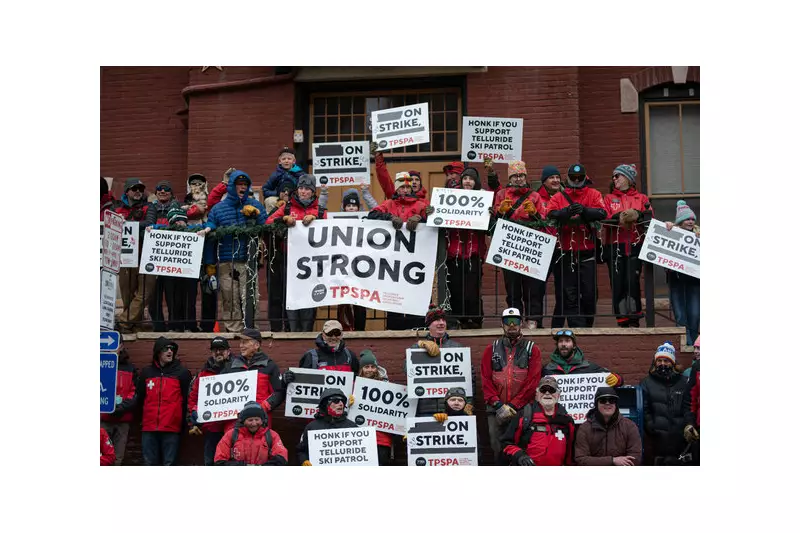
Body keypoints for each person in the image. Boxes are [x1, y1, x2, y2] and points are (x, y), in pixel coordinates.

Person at [204, 170, 268, 332]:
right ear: (232, 187)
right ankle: (233, 329)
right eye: (239, 184)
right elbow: (211, 234)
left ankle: (251, 329)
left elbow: (265, 227)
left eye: (245, 185)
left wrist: (255, 216)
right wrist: (210, 264)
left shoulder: (255, 205)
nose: (242, 187)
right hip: (226, 260)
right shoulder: (218, 209)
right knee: (229, 297)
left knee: (250, 297)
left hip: (248, 261)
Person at [545, 163, 607, 327]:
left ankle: (587, 323)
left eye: (580, 177)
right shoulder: (559, 197)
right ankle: (576, 326)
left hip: (587, 251)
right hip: (566, 252)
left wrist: (585, 211)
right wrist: (566, 212)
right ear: (569, 178)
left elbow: (602, 212)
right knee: (569, 293)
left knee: (589, 293)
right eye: (574, 177)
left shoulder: (593, 194)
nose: (577, 180)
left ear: (584, 177)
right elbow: (550, 215)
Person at [367, 172, 430, 330]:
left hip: (415, 260)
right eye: (402, 187)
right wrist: (389, 218)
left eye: (408, 187)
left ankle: (416, 327)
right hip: (393, 262)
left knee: (414, 294)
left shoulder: (421, 205)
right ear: (397, 188)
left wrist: (421, 219)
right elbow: (372, 215)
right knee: (393, 297)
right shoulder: (389, 204)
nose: (405, 190)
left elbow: (435, 221)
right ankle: (394, 328)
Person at [480, 307, 542, 465]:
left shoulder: (532, 349)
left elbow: (533, 381)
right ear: (502, 324)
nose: (512, 325)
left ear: (521, 323)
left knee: (522, 445)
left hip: (522, 409)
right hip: (495, 410)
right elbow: (486, 379)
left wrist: (514, 405)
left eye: (515, 321)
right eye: (508, 321)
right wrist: (498, 405)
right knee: (496, 446)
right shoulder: (491, 349)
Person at [265, 173, 326, 332]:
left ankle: (307, 330)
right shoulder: (287, 207)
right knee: (291, 294)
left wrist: (315, 219)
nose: (303, 191)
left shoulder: (319, 211)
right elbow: (268, 222)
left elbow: (328, 230)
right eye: (301, 188)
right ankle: (292, 329)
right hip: (289, 259)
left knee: (309, 294)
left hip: (312, 261)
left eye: (307, 189)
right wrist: (284, 219)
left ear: (313, 191)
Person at [492, 160, 547, 327]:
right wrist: (501, 211)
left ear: (526, 176)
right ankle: (514, 319)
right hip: (509, 246)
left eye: (521, 175)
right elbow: (495, 218)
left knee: (532, 286)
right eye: (515, 176)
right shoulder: (501, 194)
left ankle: (533, 319)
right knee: (513, 286)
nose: (518, 179)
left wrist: (535, 213)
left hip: (529, 247)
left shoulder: (535, 196)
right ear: (510, 178)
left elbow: (543, 221)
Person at [603, 164, 653, 328]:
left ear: (629, 179)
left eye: (618, 176)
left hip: (635, 244)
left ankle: (634, 317)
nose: (614, 179)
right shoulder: (609, 198)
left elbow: (650, 216)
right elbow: (604, 216)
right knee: (617, 282)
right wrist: (618, 216)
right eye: (613, 176)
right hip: (614, 246)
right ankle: (622, 319)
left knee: (632, 280)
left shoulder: (641, 198)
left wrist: (638, 214)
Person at [146, 208, 210, 331]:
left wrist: (206, 229)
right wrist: (152, 227)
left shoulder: (194, 230)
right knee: (173, 300)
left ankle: (190, 325)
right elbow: (156, 226)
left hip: (189, 272)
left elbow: (209, 224)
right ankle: (175, 325)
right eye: (175, 221)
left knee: (190, 299)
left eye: (181, 220)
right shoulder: (166, 230)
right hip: (171, 272)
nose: (178, 223)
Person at [405, 305, 475, 417]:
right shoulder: (417, 348)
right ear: (429, 324)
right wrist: (419, 348)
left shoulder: (458, 348)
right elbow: (408, 372)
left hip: (453, 410)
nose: (441, 323)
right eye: (437, 320)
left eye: (443, 320)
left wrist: (469, 403)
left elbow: (470, 378)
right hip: (425, 410)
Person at [136, 337, 191, 466]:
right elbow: (140, 398)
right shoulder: (146, 373)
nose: (170, 352)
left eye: (172, 349)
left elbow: (187, 400)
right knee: (149, 463)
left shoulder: (182, 373)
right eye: (166, 349)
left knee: (169, 464)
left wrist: (183, 424)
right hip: (149, 427)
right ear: (158, 352)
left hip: (171, 428)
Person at [501, 376, 576, 466]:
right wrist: (520, 456)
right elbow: (506, 444)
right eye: (543, 390)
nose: (547, 393)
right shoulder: (524, 416)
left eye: (552, 390)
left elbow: (571, 453)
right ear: (537, 395)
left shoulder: (568, 421)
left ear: (558, 395)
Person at [445, 167, 487, 329]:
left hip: (473, 254)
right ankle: (459, 319)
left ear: (475, 182)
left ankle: (475, 319)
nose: (467, 181)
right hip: (454, 254)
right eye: (465, 179)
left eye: (471, 179)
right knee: (455, 288)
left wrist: (489, 214)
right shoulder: (451, 198)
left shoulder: (482, 199)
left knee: (473, 289)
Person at [222, 329, 285, 432]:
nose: (241, 345)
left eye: (245, 342)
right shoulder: (230, 366)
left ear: (256, 345)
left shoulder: (270, 366)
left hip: (260, 422)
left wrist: (262, 407)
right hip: (234, 423)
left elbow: (279, 392)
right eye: (240, 342)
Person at [639, 341, 690, 465]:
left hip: (681, 439)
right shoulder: (646, 383)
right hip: (657, 439)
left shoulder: (684, 382)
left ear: (672, 363)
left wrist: (686, 425)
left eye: (666, 361)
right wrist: (652, 427)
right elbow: (644, 409)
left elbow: (688, 406)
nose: (662, 364)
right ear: (655, 363)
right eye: (659, 360)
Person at [143, 181, 182, 331]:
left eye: (166, 190)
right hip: (152, 258)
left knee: (172, 295)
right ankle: (158, 326)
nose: (163, 192)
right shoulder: (150, 209)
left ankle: (173, 325)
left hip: (171, 258)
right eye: (159, 190)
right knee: (153, 295)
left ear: (171, 194)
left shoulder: (177, 208)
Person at [187, 336, 232, 465]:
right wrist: (195, 411)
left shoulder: (237, 370)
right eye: (215, 350)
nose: (218, 353)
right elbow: (193, 397)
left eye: (221, 349)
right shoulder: (204, 373)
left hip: (232, 428)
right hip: (211, 428)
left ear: (228, 351)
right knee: (210, 463)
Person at [114, 178, 152, 332]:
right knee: (126, 292)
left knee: (145, 292)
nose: (138, 192)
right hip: (125, 257)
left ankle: (123, 321)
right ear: (127, 191)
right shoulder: (116, 208)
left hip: (145, 255)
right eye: (134, 189)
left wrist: (127, 223)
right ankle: (132, 326)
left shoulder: (148, 207)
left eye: (140, 189)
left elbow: (149, 222)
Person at [574, 387, 642, 466]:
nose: (607, 403)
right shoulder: (584, 428)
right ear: (596, 404)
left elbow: (635, 457)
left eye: (611, 400)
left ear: (616, 404)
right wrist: (612, 460)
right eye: (603, 400)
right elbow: (581, 459)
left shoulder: (629, 426)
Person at [283, 321, 360, 387]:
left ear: (342, 335)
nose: (333, 337)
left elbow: (357, 380)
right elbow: (300, 382)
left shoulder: (349, 355)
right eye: (329, 334)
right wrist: (287, 378)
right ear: (323, 335)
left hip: (343, 403)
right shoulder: (311, 356)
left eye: (337, 333)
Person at [666, 200, 700, 347]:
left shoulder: (699, 235)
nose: (691, 221)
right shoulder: (671, 232)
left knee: (695, 314)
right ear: (680, 221)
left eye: (693, 219)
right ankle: (686, 342)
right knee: (680, 314)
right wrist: (667, 226)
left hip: (694, 281)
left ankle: (693, 344)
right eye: (687, 219)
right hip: (676, 279)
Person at [352, 350, 395, 465]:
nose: (370, 369)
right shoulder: (353, 386)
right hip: (359, 438)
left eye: (373, 366)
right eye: (366, 367)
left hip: (382, 439)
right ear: (361, 369)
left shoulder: (387, 386)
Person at [100, 333, 137, 465]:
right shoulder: (99, 364)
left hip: (122, 420)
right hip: (102, 420)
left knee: (117, 459)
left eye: (117, 344)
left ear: (122, 346)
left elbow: (134, 393)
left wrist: (119, 408)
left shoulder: (129, 368)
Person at [213, 401, 289, 466]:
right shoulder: (231, 435)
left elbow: (282, 458)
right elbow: (219, 460)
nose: (254, 423)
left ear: (262, 420)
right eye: (250, 420)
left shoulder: (272, 435)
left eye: (257, 419)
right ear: (243, 421)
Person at [296, 388, 359, 465]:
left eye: (342, 401)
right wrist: (304, 460)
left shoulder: (352, 427)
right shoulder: (312, 427)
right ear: (325, 404)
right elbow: (302, 451)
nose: (341, 404)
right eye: (336, 401)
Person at [536, 166, 565, 328]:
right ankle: (537, 321)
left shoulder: (565, 196)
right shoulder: (536, 197)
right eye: (551, 177)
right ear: (544, 181)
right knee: (538, 288)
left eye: (557, 177)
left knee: (562, 288)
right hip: (542, 247)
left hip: (561, 247)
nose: (555, 180)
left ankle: (558, 324)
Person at [542, 329, 624, 386]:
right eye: (560, 341)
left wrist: (617, 379)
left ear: (574, 346)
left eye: (567, 340)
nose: (563, 344)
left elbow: (615, 379)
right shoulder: (547, 369)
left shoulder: (589, 367)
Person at [262, 146, 306, 210]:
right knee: (269, 201)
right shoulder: (276, 175)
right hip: (279, 200)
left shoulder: (301, 175)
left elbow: (308, 189)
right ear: (280, 161)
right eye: (284, 159)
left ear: (294, 161)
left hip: (296, 199)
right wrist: (278, 193)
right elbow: (265, 190)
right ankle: (272, 219)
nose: (286, 161)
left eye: (289, 159)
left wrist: (295, 194)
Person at [682, 345, 700, 465]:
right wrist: (690, 423)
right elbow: (690, 399)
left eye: (699, 348)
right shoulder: (697, 368)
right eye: (695, 348)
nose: (695, 351)